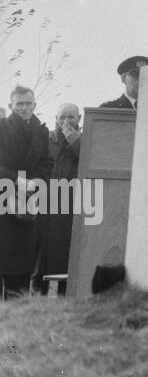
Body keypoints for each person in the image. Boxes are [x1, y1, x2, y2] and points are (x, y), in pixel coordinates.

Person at [0, 86, 51, 298]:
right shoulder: (1, 127)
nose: (24, 108)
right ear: (11, 105)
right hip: (3, 197)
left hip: (27, 204)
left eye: (28, 103)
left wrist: (36, 183)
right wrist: (20, 181)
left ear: (34, 105)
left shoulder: (41, 131)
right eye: (19, 104)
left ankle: (16, 320)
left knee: (20, 269)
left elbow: (47, 162)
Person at [35, 103, 81, 291]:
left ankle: (65, 298)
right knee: (41, 259)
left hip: (71, 208)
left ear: (79, 119)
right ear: (55, 119)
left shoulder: (84, 141)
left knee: (65, 257)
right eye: (62, 117)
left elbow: (89, 159)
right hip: (45, 207)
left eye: (71, 117)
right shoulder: (47, 140)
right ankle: (37, 300)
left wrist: (75, 140)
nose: (66, 121)